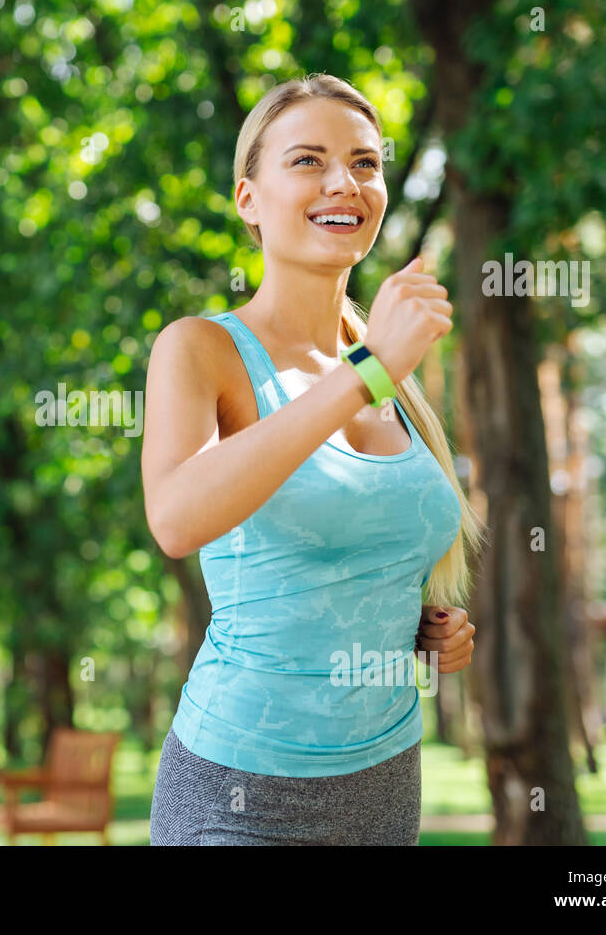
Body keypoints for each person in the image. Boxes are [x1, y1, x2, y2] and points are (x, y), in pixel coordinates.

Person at [143, 74, 486, 845]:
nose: (345, 181)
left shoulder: (390, 376)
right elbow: (175, 517)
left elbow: (355, 564)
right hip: (238, 790)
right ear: (248, 199)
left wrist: (423, 632)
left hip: (385, 783)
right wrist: (367, 371)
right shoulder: (200, 350)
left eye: (366, 163)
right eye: (308, 160)